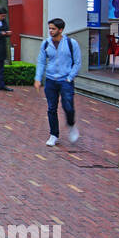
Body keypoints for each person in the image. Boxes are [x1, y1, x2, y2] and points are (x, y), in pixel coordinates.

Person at [33, 18, 82, 146]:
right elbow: (41, 61)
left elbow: (77, 62)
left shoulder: (72, 43)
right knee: (51, 108)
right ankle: (53, 134)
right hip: (50, 80)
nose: (50, 31)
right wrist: (38, 78)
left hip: (66, 80)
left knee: (68, 107)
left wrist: (70, 77)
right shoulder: (45, 44)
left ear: (60, 30)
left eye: (53, 29)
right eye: (49, 28)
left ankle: (71, 125)